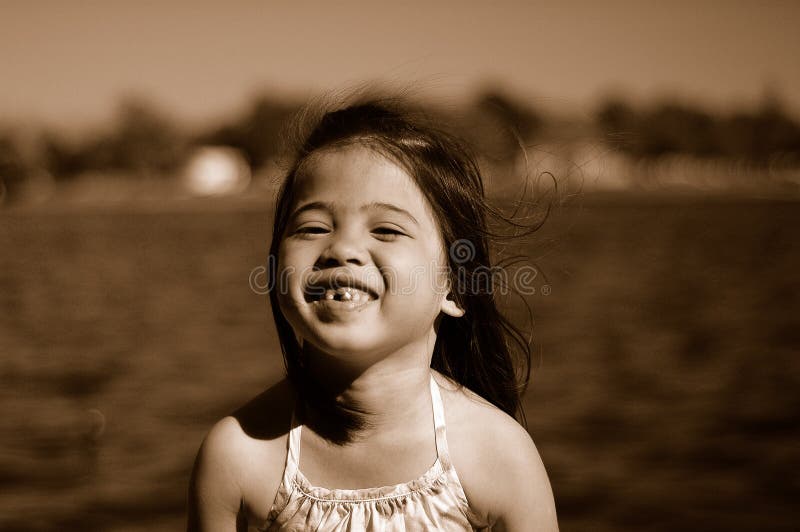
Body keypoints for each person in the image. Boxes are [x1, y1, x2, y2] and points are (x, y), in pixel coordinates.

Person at [187, 97, 558, 531]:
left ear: (455, 286)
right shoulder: (239, 454)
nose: (341, 249)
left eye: (386, 229)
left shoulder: (496, 454)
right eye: (313, 228)